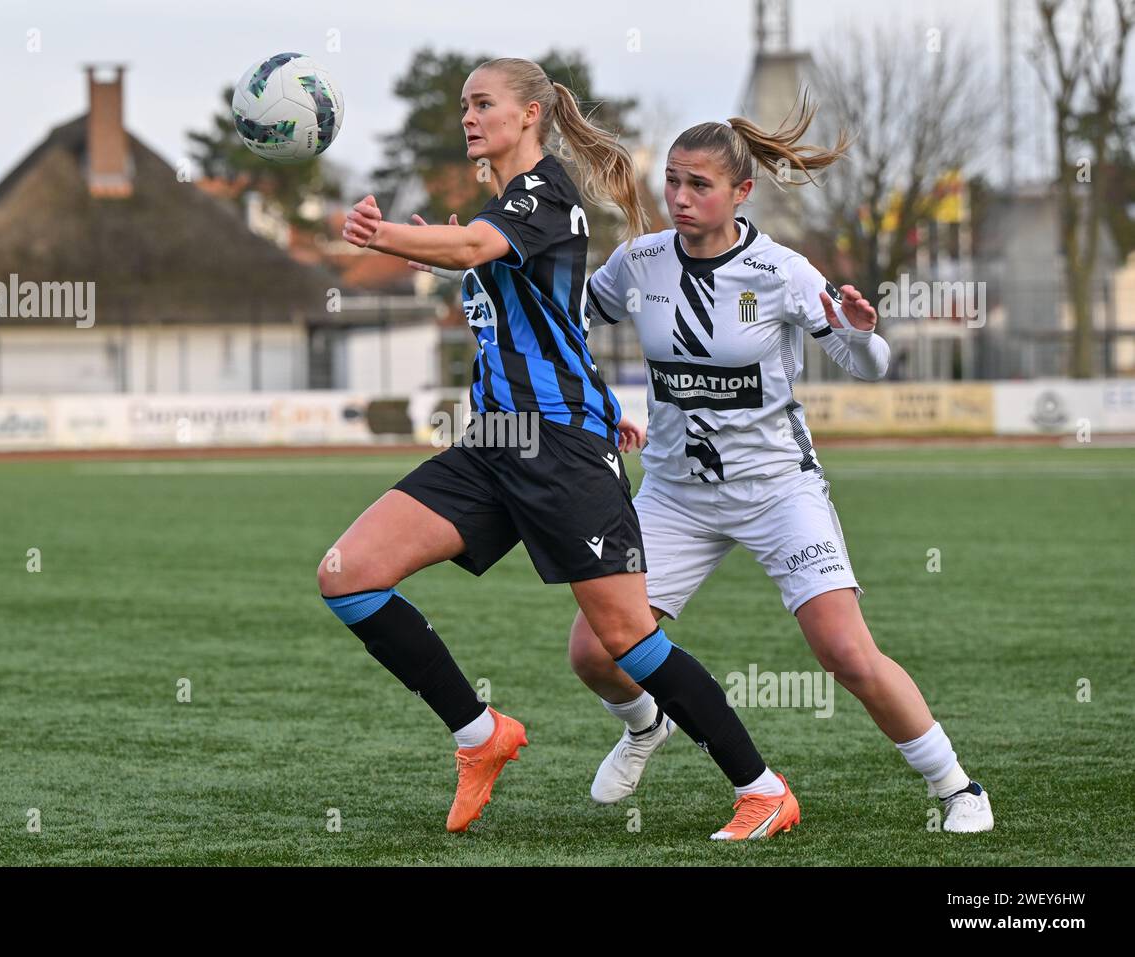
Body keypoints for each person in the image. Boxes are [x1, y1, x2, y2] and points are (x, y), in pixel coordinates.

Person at [321, 56, 798, 839]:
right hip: (494, 444)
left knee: (625, 640)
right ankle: (480, 736)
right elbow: (552, 319)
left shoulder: (543, 192)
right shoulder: (507, 201)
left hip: (560, 451)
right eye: (463, 104)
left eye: (483, 103)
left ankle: (762, 787)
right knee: (348, 575)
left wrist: (387, 234)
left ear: (530, 116)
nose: (469, 117)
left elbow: (471, 249)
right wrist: (609, 401)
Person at [572, 94, 994, 833]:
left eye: (698, 184)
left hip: (776, 491)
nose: (678, 197)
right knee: (594, 651)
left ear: (742, 192)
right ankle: (646, 726)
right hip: (675, 493)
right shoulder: (637, 261)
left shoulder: (782, 271)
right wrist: (469, 268)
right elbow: (565, 313)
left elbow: (870, 363)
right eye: (671, 180)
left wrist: (861, 333)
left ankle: (959, 787)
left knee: (845, 652)